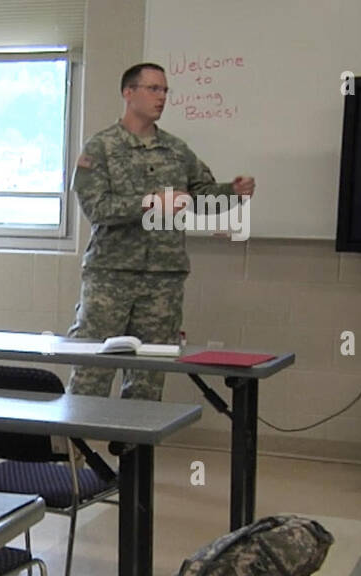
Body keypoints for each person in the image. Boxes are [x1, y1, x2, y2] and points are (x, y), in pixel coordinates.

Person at [68, 62, 255, 400]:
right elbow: (97, 209)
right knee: (91, 372)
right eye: (153, 88)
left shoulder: (177, 150)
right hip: (111, 276)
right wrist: (152, 202)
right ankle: (75, 451)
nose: (162, 97)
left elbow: (201, 199)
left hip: (162, 282)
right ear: (129, 93)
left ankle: (133, 452)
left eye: (165, 90)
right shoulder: (101, 148)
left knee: (148, 378)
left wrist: (233, 192)